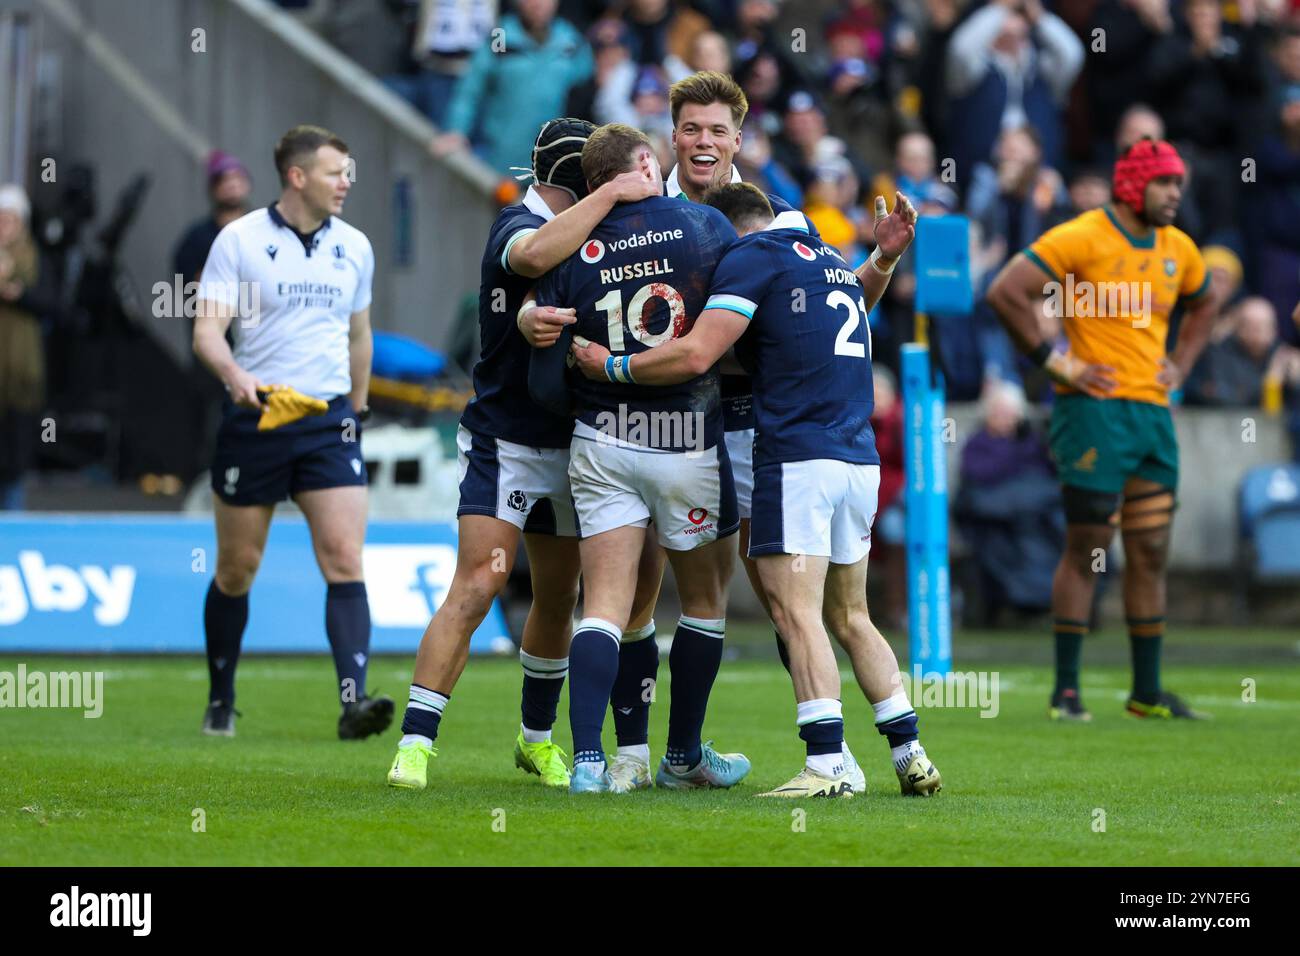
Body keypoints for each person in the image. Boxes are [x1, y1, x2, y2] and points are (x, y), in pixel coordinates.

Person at [573, 182, 942, 799]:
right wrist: (880, 261)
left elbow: (695, 356)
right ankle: (909, 752)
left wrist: (610, 366)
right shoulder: (823, 257)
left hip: (798, 460)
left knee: (796, 613)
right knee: (852, 615)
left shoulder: (751, 256)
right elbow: (823, 314)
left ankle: (828, 765)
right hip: (857, 459)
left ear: (724, 232)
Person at [385, 118, 665, 791]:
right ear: (583, 177)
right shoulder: (519, 221)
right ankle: (417, 743)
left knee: (556, 595)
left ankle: (535, 740)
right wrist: (612, 193)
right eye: (598, 176)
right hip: (506, 439)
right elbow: (535, 259)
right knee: (480, 581)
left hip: (576, 440)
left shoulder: (604, 230)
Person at [531, 123, 751, 794]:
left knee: (602, 605)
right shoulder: (707, 225)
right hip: (686, 436)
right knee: (704, 602)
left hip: (602, 439)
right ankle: (681, 755)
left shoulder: (572, 246)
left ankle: (591, 763)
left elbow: (542, 369)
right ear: (650, 164)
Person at [985, 138, 1219, 721]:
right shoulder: (1082, 235)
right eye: (1165, 183)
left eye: (1179, 186)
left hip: (1152, 415)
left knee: (1150, 550)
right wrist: (1057, 363)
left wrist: (1183, 364)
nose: (1174, 195)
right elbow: (1006, 292)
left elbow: (1207, 303)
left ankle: (1146, 693)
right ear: (1134, 184)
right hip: (1093, 411)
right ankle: (1066, 690)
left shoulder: (1180, 249)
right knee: (1088, 545)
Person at [192, 125, 385, 739]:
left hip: (329, 423)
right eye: (335, 172)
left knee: (345, 558)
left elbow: (359, 335)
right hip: (257, 419)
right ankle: (221, 697)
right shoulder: (239, 240)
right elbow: (205, 332)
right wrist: (233, 373)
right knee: (237, 569)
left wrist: (356, 411)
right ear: (297, 176)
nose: (346, 183)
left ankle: (353, 703)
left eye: (348, 172)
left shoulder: (355, 246)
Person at [0, 184, 44, 511]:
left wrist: (20, 294)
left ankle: (14, 529)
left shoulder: (34, 259)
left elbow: (58, 305)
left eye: (10, 219)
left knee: (15, 456)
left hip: (19, 375)